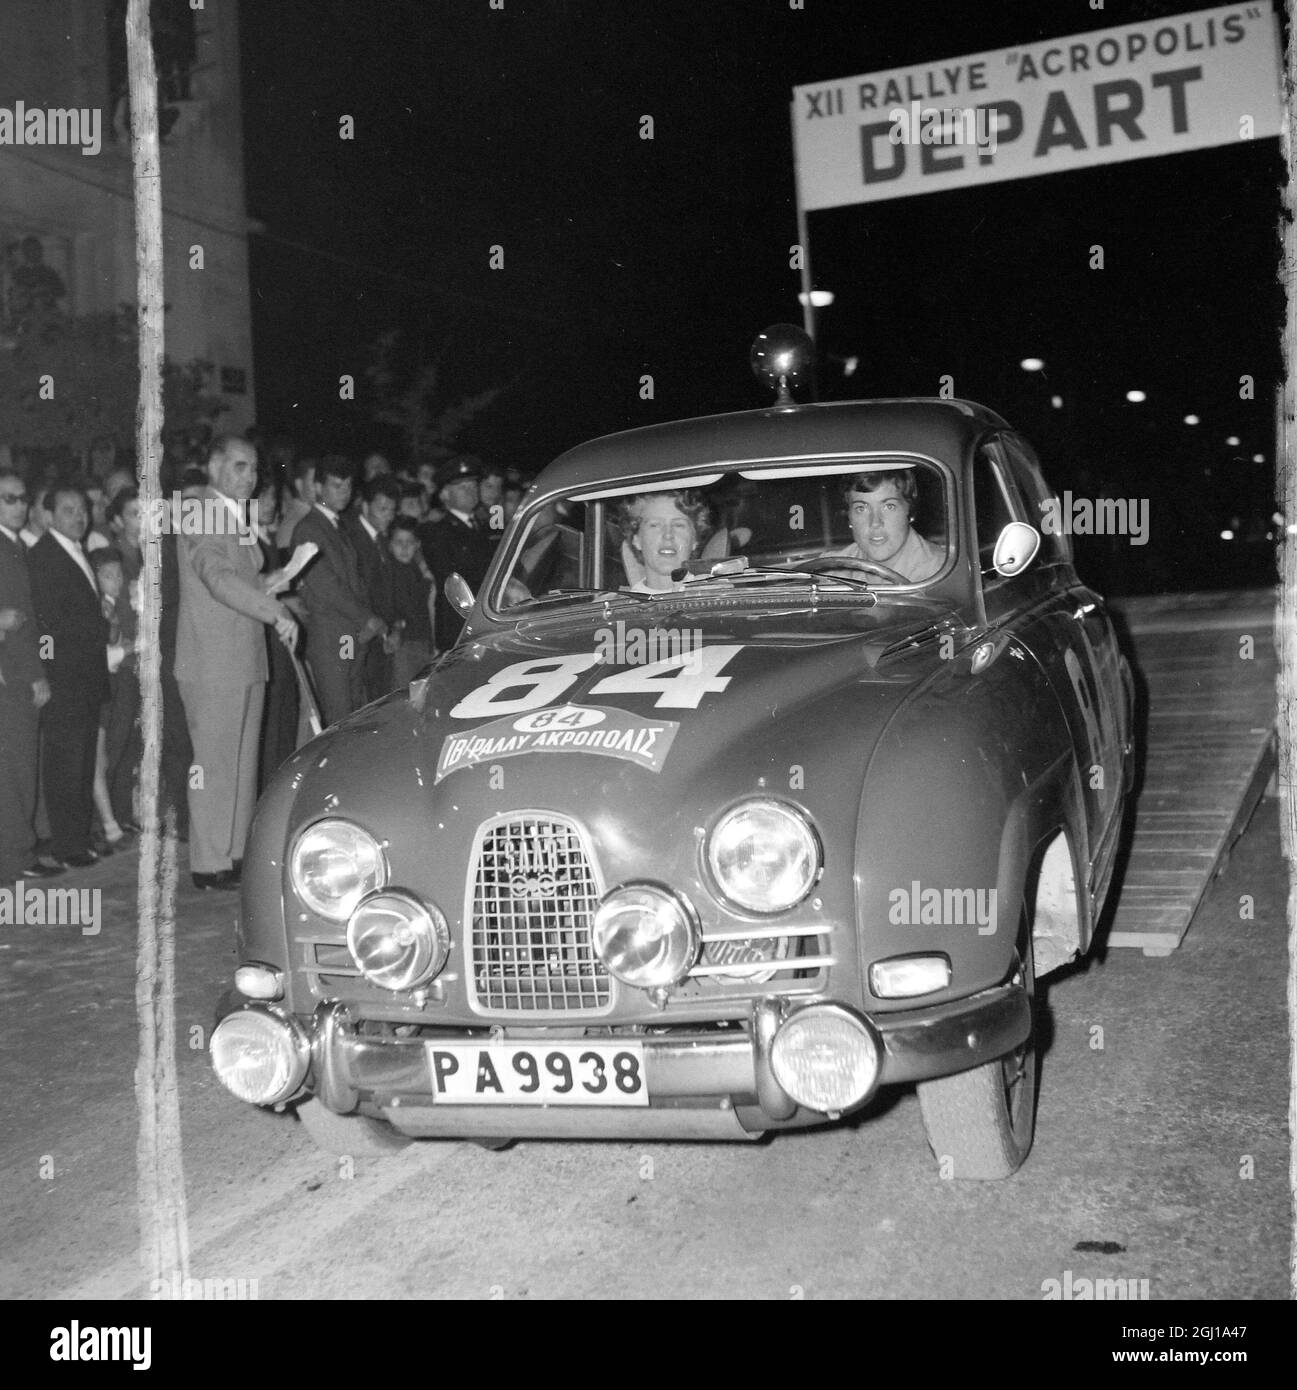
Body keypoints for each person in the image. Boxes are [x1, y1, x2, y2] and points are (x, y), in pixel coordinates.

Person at [174, 436, 299, 890]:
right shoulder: (198, 507)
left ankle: (234, 854)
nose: (249, 477)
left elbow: (240, 579)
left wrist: (274, 583)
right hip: (212, 660)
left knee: (243, 762)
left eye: (253, 469)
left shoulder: (231, 513)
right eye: (240, 467)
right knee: (215, 763)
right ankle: (209, 863)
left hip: (244, 655)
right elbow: (216, 579)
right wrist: (275, 611)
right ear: (213, 465)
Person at [28, 485, 110, 867]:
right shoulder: (43, 556)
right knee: (66, 764)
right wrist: (48, 671)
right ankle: (68, 844)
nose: (78, 516)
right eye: (67, 509)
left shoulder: (79, 551)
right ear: (48, 515)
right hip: (65, 677)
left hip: (87, 674)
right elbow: (45, 625)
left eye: (82, 509)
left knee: (83, 760)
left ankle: (80, 837)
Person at [292, 454, 385, 725]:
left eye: (347, 486)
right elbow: (326, 586)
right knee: (339, 717)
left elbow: (354, 581)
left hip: (352, 634)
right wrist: (366, 617)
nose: (344, 493)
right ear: (318, 488)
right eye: (336, 486)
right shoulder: (309, 528)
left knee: (355, 710)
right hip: (331, 636)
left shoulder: (336, 526)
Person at [0, 469, 55, 883]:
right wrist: (31, 673)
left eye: (21, 499)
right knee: (16, 766)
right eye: (8, 498)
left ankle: (21, 849)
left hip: (22, 667)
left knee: (22, 763)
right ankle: (15, 856)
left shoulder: (16, 546)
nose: (18, 506)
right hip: (12, 673)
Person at [421, 457, 494, 651]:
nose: (471, 491)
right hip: (459, 626)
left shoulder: (485, 528)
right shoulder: (436, 531)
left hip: (486, 622)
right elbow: (451, 580)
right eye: (462, 487)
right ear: (445, 495)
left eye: (473, 485)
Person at [823, 469, 944, 583]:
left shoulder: (941, 573)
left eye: (889, 506)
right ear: (849, 516)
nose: (875, 523)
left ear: (909, 511)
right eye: (861, 508)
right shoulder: (828, 571)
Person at [88, 546, 132, 852]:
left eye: (118, 574)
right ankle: (107, 826)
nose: (115, 580)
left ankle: (108, 823)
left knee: (106, 756)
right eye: (107, 575)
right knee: (98, 756)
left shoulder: (114, 607)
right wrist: (127, 650)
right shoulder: (99, 608)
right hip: (99, 686)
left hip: (112, 684)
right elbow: (101, 656)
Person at [343, 475, 401, 702]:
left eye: (392, 510)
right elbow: (358, 590)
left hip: (383, 636)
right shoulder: (351, 539)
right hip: (363, 634)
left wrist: (394, 628)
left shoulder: (382, 540)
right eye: (382, 509)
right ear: (365, 506)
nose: (388, 515)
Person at [616, 490, 712, 593]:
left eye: (679, 525)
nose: (668, 535)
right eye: (655, 525)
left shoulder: (716, 596)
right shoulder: (617, 606)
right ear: (636, 540)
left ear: (695, 540)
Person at [388, 517, 437, 687]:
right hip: (406, 643)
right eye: (398, 542)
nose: (404, 547)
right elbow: (408, 605)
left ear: (417, 545)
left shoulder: (414, 568)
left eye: (409, 542)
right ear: (389, 544)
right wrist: (427, 583)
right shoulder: (393, 571)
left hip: (422, 641)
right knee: (406, 691)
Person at [276, 454, 318, 552]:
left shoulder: (309, 514)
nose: (319, 487)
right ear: (299, 484)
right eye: (313, 482)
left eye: (321, 481)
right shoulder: (297, 521)